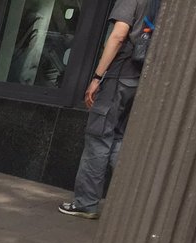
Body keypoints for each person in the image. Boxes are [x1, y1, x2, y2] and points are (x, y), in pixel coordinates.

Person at [59, 0, 156, 219]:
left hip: (119, 76)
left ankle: (86, 203)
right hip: (138, 80)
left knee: (98, 138)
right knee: (118, 139)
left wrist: (97, 77)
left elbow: (118, 35)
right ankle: (123, 204)